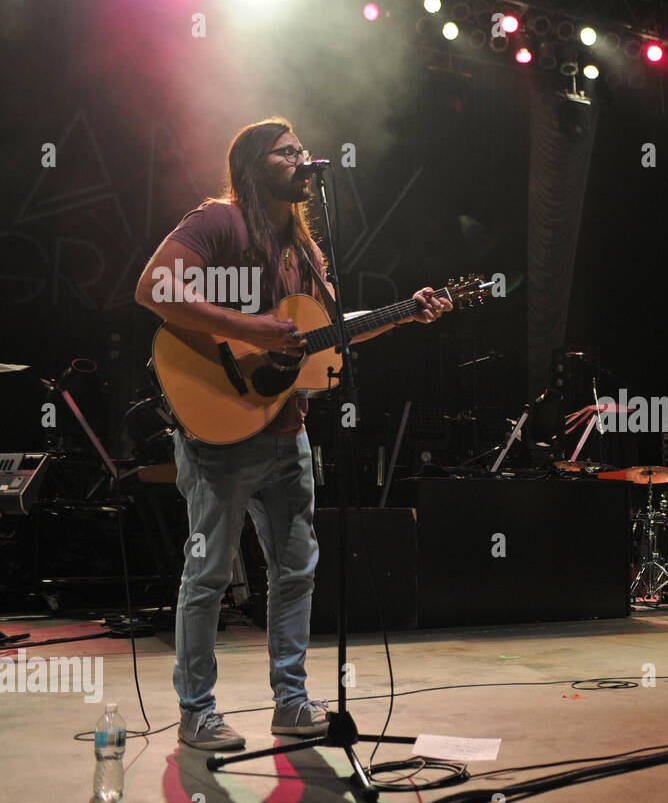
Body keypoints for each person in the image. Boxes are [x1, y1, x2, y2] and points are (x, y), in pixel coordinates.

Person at [134, 117, 451, 749]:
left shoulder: (304, 248)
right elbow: (153, 288)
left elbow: (327, 329)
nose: (302, 159)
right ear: (253, 166)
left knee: (295, 570)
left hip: (286, 431)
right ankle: (196, 709)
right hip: (218, 432)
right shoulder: (220, 222)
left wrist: (404, 312)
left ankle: (292, 701)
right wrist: (248, 331)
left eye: (302, 150)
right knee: (209, 574)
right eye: (286, 153)